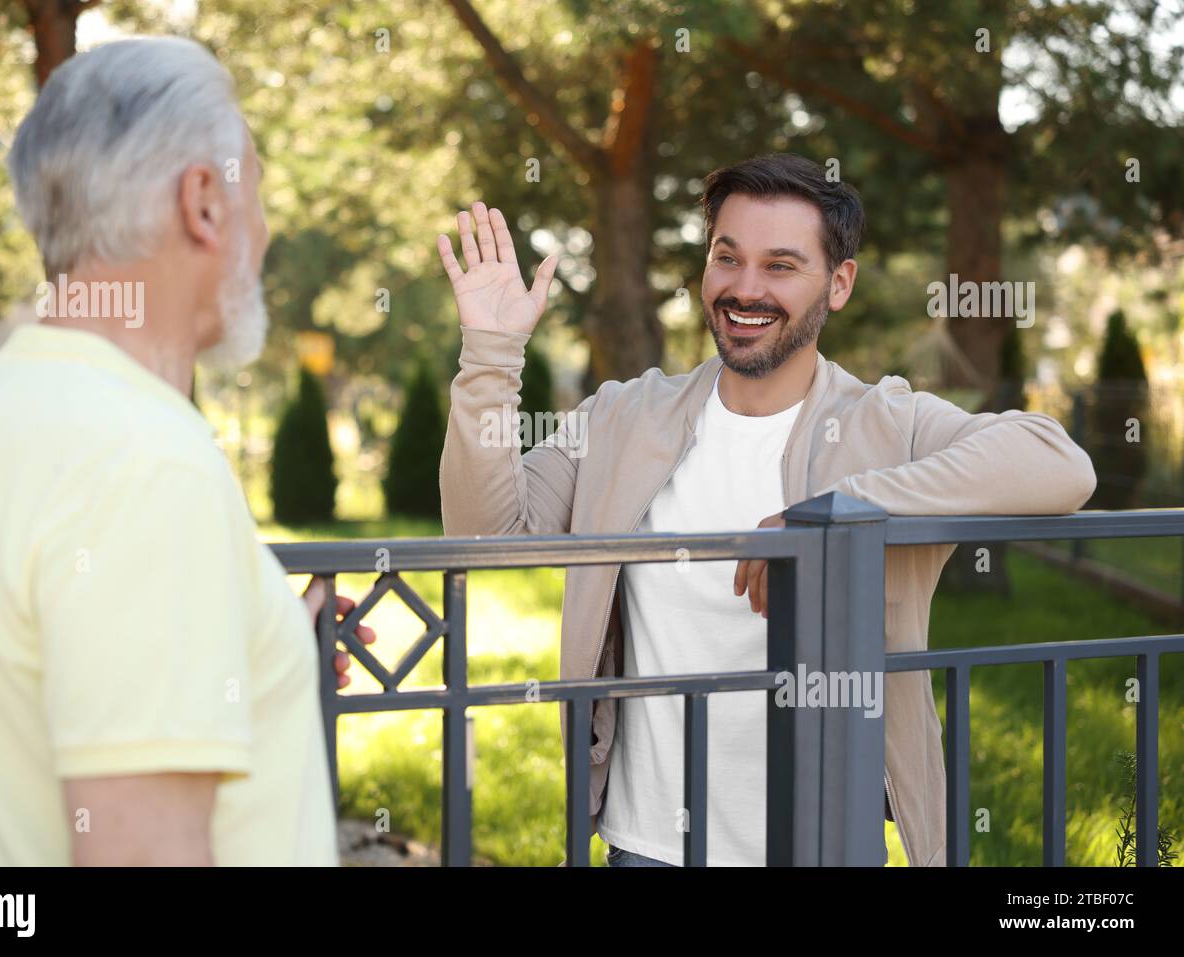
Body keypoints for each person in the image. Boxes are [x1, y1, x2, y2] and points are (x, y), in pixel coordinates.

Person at [436, 153, 1096, 867]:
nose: (745, 289)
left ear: (838, 283)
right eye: (728, 257)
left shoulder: (884, 422)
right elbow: (483, 532)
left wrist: (838, 511)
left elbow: (1058, 463)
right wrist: (491, 355)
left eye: (781, 265)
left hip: (824, 848)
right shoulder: (624, 415)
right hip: (646, 847)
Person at [0, 36, 371, 866]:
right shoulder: (145, 464)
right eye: (255, 193)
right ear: (204, 204)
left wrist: (254, 646)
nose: (264, 229)